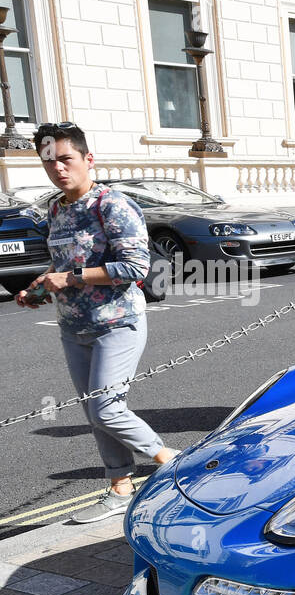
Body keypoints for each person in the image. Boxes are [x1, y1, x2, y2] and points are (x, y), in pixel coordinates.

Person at [14, 123, 177, 523]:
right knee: (94, 413)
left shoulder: (112, 205)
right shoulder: (57, 207)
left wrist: (70, 278)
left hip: (117, 321)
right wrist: (40, 286)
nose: (58, 169)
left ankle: (172, 462)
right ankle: (120, 485)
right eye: (49, 161)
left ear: (88, 159)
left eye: (66, 159)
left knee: (106, 409)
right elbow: (64, 261)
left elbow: (136, 267)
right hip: (74, 327)